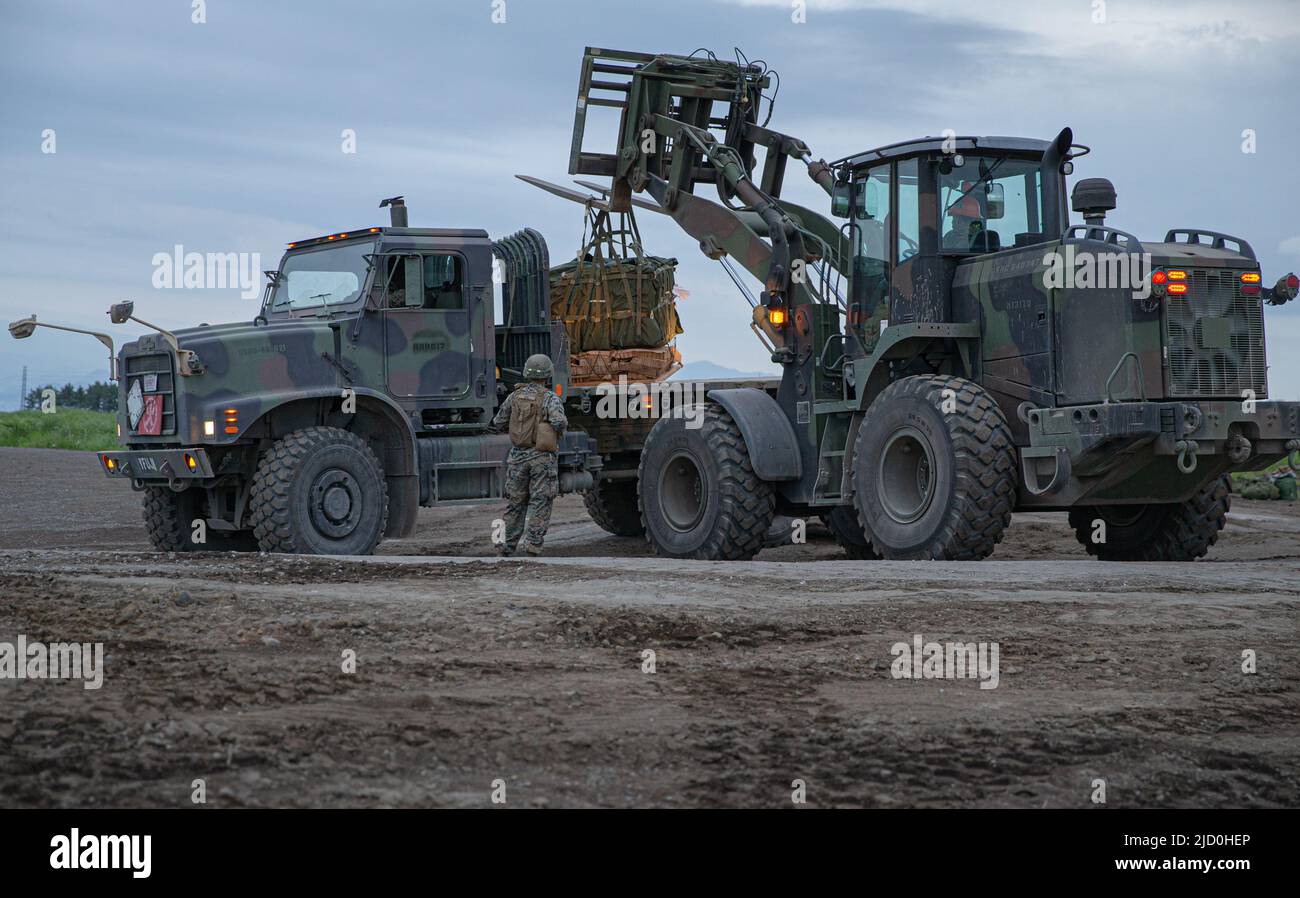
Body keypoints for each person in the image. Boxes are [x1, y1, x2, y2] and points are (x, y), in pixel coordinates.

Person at [490, 354, 567, 556]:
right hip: (542, 458)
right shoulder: (550, 398)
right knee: (540, 501)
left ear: (527, 372)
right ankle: (533, 546)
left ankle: (505, 545)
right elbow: (559, 422)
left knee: (515, 502)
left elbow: (498, 422)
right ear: (548, 374)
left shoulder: (514, 396)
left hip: (517, 457)